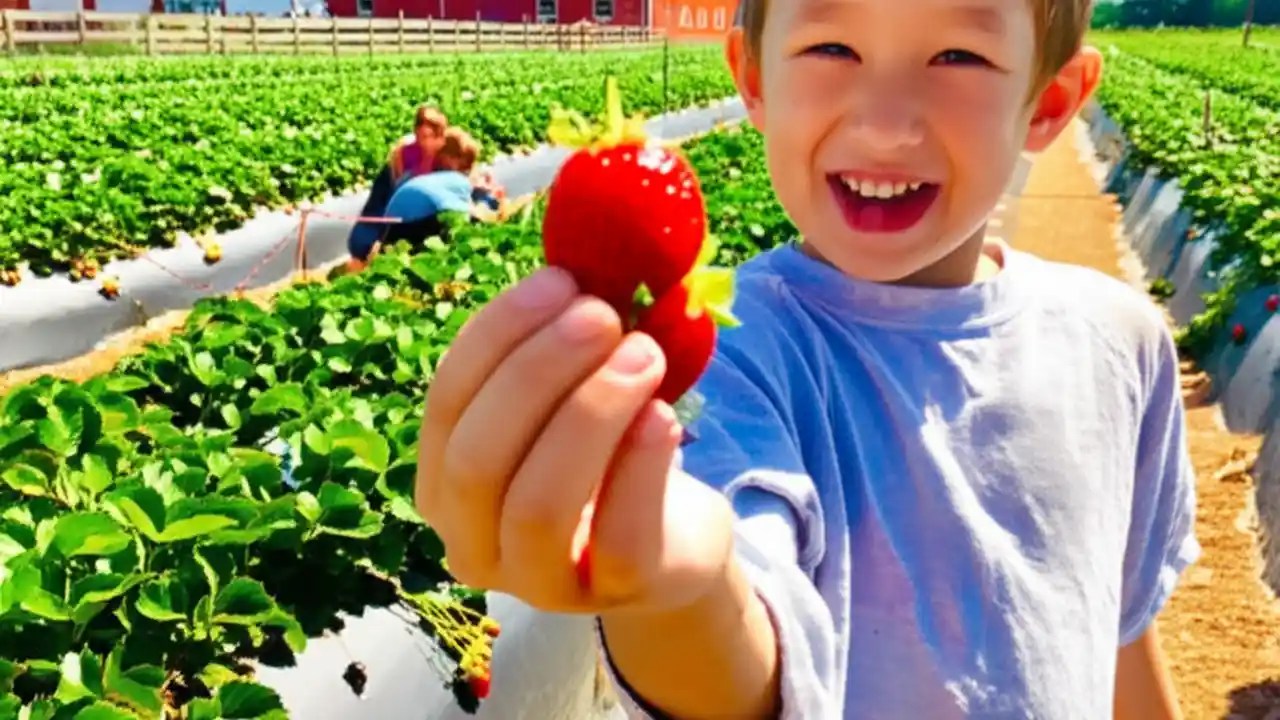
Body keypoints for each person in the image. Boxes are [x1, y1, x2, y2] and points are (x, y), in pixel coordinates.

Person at [414, 0, 1196, 717]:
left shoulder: (1122, 343)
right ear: (754, 80)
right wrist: (679, 596)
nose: (887, 124)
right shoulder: (723, 354)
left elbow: (1119, 630)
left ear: (1051, 99)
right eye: (831, 45)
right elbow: (742, 637)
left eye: (958, 56)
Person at [346, 105, 450, 267]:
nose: (426, 143)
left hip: (427, 222)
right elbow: (377, 205)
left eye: (431, 137)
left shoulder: (447, 158)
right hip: (396, 218)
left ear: (441, 137)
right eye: (422, 136)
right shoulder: (401, 158)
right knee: (361, 242)